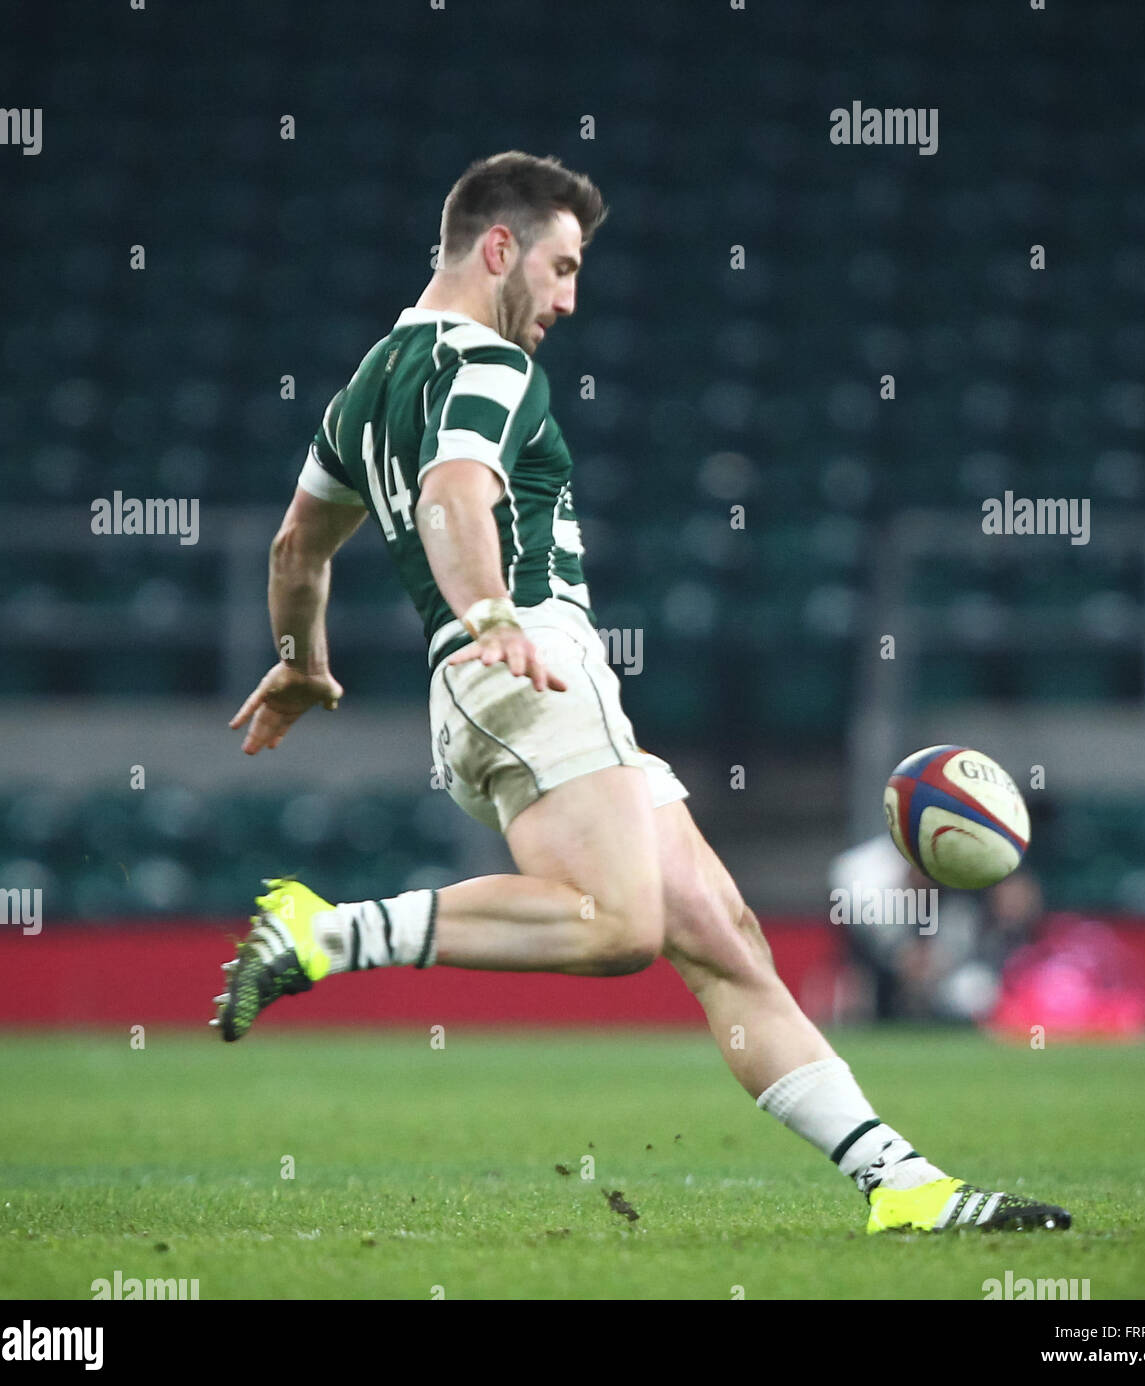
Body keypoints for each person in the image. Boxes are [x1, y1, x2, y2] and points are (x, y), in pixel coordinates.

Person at [213, 151, 1068, 1234]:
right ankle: (327, 933)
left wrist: (298, 657)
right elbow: (453, 493)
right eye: (561, 267)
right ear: (496, 248)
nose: (569, 298)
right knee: (617, 927)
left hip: (524, 677)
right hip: (526, 662)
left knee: (720, 931)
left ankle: (902, 1185)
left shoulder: (367, 384)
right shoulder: (483, 362)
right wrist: (487, 613)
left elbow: (300, 542)